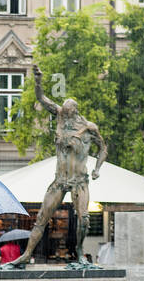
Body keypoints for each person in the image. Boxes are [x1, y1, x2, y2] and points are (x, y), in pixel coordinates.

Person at [8, 64, 106, 267]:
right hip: (60, 180)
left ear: (75, 112)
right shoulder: (60, 116)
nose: (64, 115)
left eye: (68, 112)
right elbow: (42, 99)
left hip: (80, 181)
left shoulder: (89, 128)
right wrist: (38, 80)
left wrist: (98, 168)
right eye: (64, 112)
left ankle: (79, 252)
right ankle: (26, 255)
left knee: (84, 219)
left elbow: (103, 149)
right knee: (42, 218)